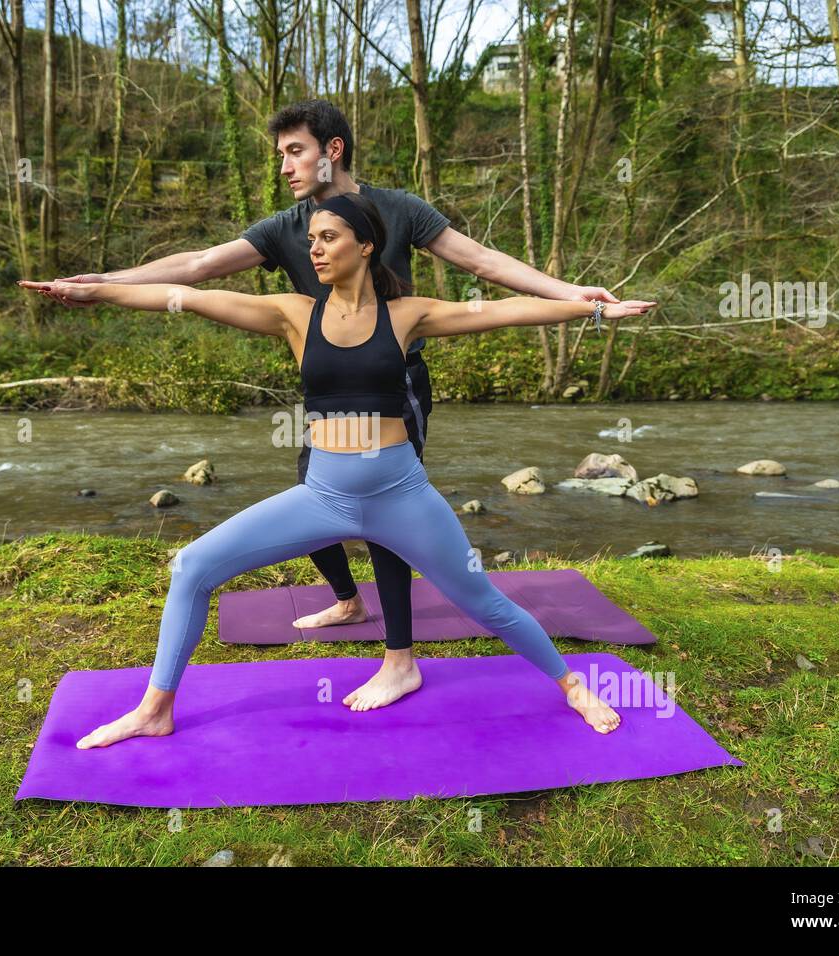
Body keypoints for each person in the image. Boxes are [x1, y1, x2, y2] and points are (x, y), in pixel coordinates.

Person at [37, 99, 622, 711]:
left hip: (397, 446)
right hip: (326, 463)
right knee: (193, 566)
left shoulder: (403, 260)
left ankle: (462, 669)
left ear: (334, 155)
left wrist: (586, 301)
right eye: (311, 239)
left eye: (295, 151)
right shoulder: (291, 283)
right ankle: (159, 707)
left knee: (483, 602)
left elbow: (493, 288)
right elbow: (192, 279)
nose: (286, 169)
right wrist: (99, 285)